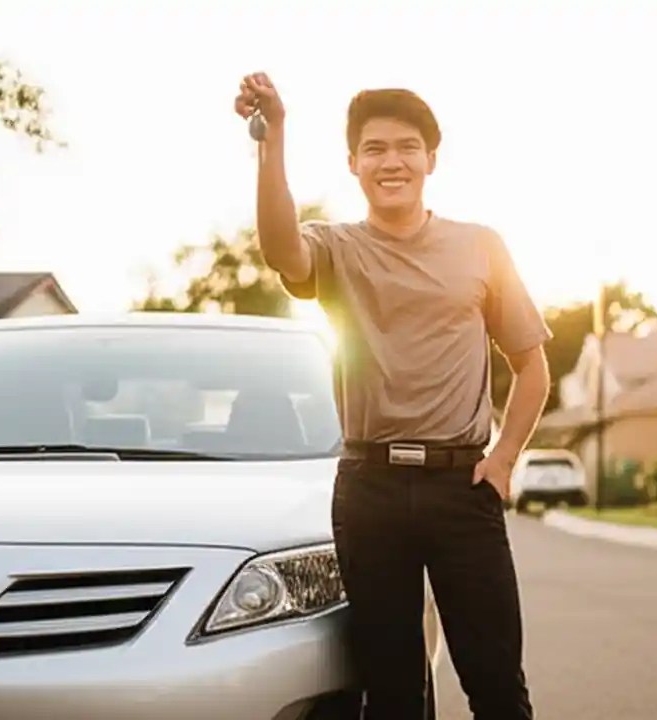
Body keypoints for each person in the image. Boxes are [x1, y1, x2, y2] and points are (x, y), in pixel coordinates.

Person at [235, 72, 550, 720]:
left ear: (431, 159)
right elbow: (278, 247)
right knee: (392, 691)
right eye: (374, 148)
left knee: (494, 682)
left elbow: (532, 368)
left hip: (463, 488)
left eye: (407, 146)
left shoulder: (480, 247)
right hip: (369, 489)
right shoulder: (336, 246)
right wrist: (274, 139)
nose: (392, 161)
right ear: (353, 164)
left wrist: (504, 459)